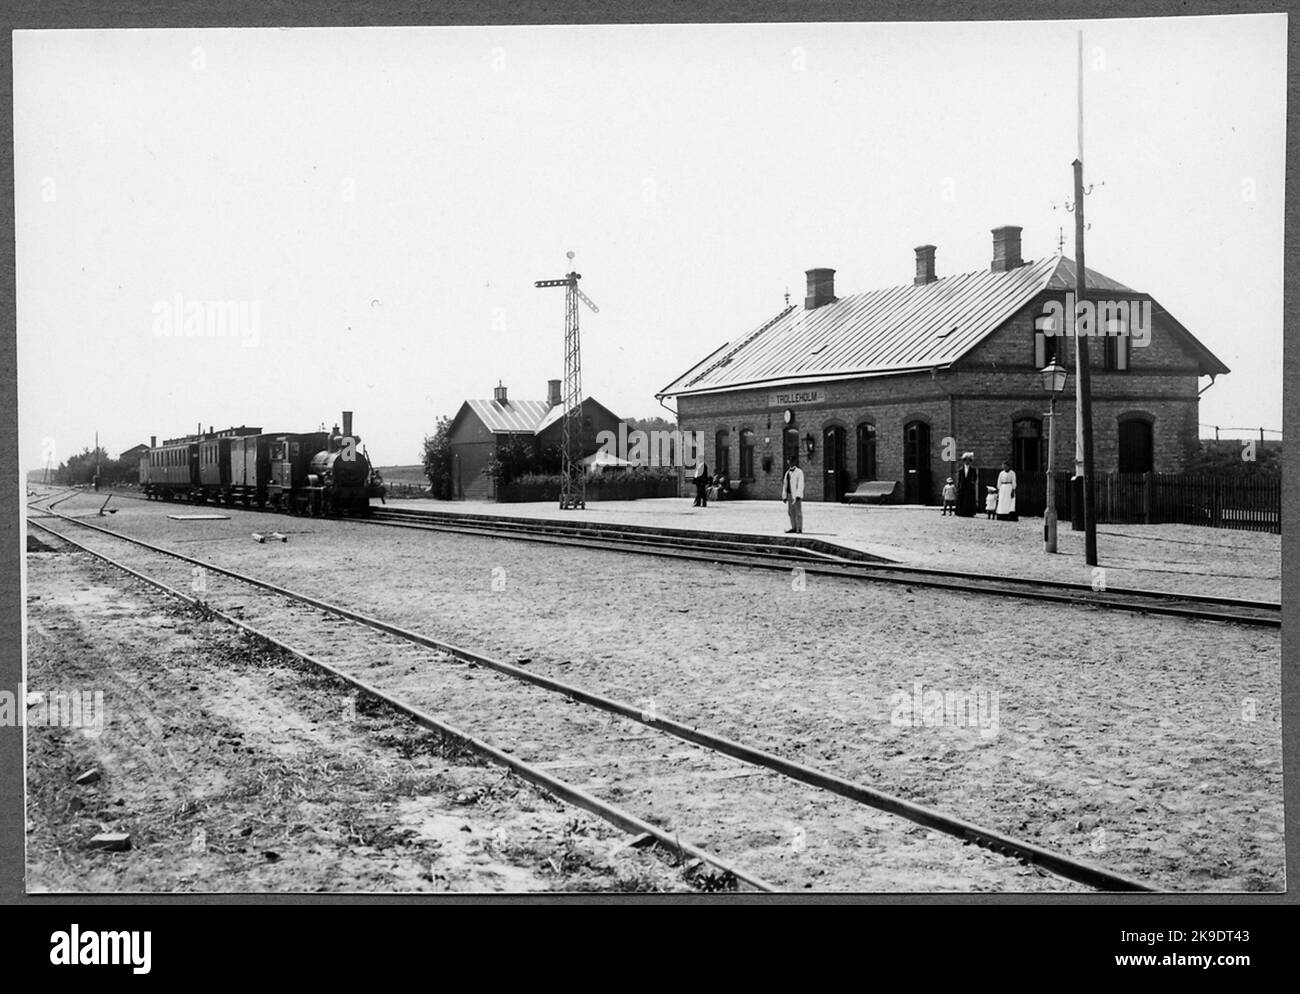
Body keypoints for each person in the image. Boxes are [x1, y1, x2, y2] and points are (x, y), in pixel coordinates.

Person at [781, 457, 804, 533]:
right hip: (789, 494)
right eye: (789, 461)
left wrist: (798, 495)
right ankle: (793, 527)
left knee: (798, 512)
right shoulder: (787, 473)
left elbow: (801, 484)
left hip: (796, 495)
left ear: (794, 462)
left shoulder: (799, 472)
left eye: (791, 461)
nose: (790, 463)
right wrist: (784, 496)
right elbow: (785, 485)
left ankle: (799, 528)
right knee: (791, 512)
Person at [954, 452, 978, 517]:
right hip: (962, 487)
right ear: (964, 461)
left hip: (969, 487)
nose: (967, 462)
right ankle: (960, 512)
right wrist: (958, 487)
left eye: (969, 460)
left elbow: (975, 478)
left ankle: (969, 512)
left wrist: (972, 482)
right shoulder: (961, 470)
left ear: (970, 461)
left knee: (969, 500)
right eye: (965, 460)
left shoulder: (973, 469)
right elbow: (959, 479)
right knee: (962, 499)